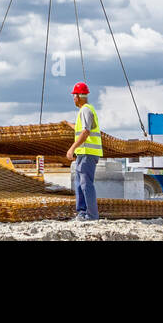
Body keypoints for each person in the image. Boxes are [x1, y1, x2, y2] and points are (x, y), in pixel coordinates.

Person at [64, 82, 102, 221]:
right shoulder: (83, 111)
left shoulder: (86, 110)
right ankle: (82, 212)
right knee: (79, 184)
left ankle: (91, 216)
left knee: (86, 184)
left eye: (74, 95)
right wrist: (68, 124)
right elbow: (80, 128)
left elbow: (85, 132)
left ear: (78, 96)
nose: (73, 98)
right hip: (83, 153)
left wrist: (72, 148)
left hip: (88, 153)